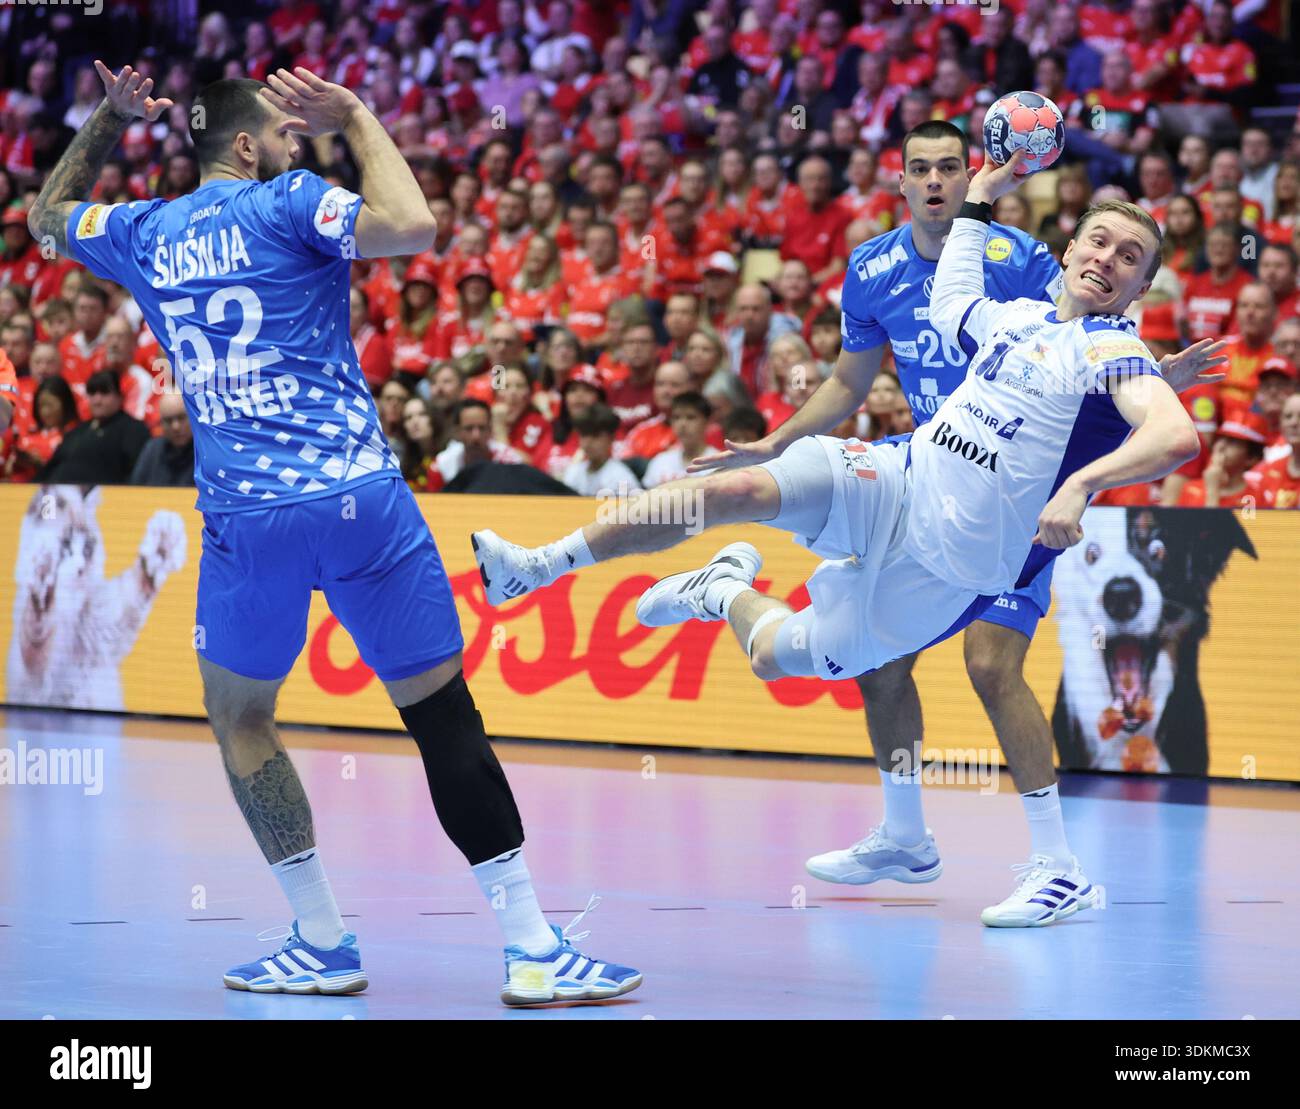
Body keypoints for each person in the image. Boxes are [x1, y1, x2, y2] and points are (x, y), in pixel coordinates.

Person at [472, 125, 1224, 927]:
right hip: (897, 476)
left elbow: (1175, 436)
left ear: (1140, 288)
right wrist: (986, 185)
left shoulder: (1110, 342)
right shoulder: (1009, 319)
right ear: (1067, 246)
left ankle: (724, 591)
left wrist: (1080, 485)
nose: (1107, 259)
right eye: (1098, 241)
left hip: (945, 566)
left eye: (1129, 258)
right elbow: (952, 286)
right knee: (738, 489)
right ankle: (538, 564)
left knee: (782, 655)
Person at [29, 62, 638, 1005]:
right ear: (246, 147)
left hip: (245, 519)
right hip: (359, 501)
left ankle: (320, 937)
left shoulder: (143, 232)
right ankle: (530, 945)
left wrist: (108, 122)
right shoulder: (289, 201)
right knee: (441, 716)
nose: (292, 146)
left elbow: (43, 215)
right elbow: (414, 226)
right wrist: (355, 113)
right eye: (281, 134)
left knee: (240, 719)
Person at [39, 369, 150, 483]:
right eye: (92, 393)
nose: (97, 400)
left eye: (104, 392)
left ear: (119, 397)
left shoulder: (134, 431)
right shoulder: (76, 433)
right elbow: (49, 471)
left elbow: (138, 477)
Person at [129, 390, 195, 486]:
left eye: (181, 418)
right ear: (161, 424)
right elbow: (135, 488)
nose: (175, 427)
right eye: (168, 420)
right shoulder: (153, 449)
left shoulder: (208, 451)